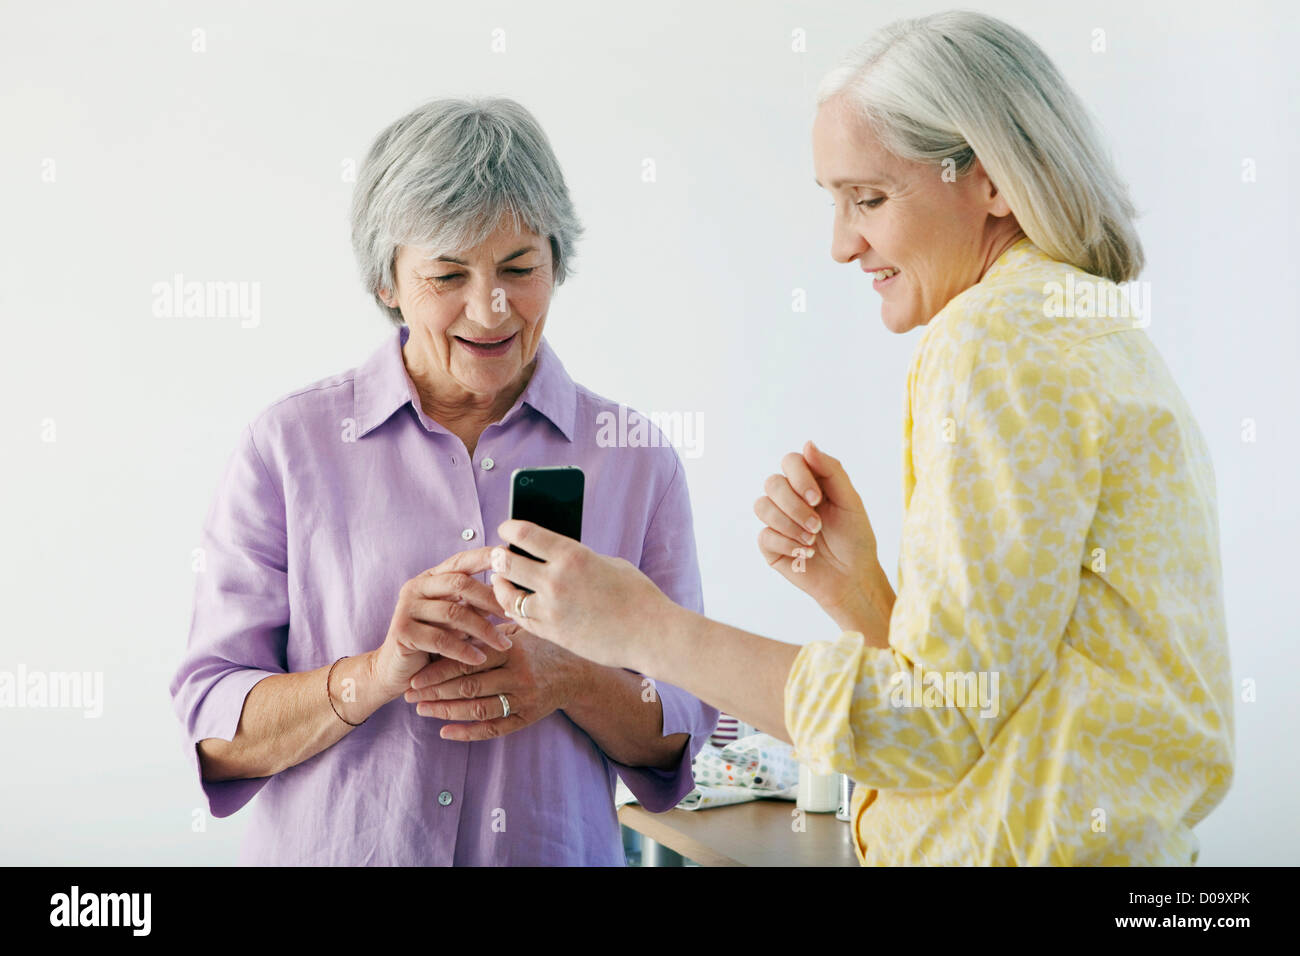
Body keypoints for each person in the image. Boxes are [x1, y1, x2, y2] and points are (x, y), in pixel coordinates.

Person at [482, 11, 1234, 865]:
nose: (842, 246)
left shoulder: (993, 340)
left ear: (989, 181)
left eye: (868, 198)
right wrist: (863, 597)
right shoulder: (1089, 325)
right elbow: (993, 705)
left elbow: (934, 724)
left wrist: (645, 631)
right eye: (834, 202)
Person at [169, 96, 719, 865]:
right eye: (448, 273)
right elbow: (215, 733)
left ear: (558, 262)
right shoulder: (286, 447)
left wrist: (569, 680)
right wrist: (375, 674)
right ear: (388, 281)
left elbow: (680, 735)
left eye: (520, 268)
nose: (489, 308)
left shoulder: (636, 457)